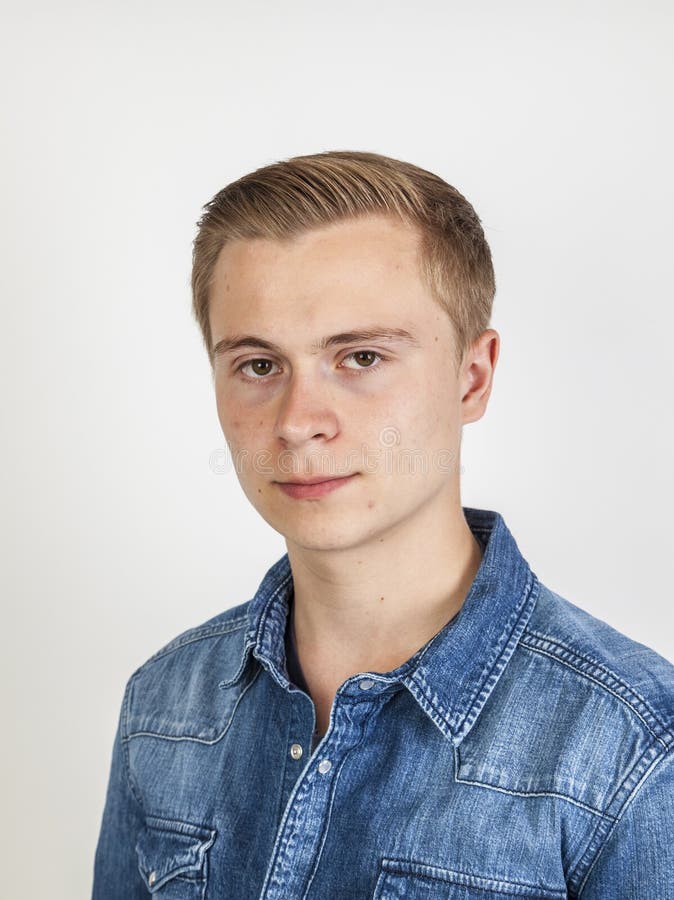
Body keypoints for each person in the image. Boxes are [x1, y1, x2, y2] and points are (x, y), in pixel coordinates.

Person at [92, 150, 674, 899]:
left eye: (361, 356)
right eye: (259, 366)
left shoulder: (633, 748)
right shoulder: (164, 703)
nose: (299, 423)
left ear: (473, 376)